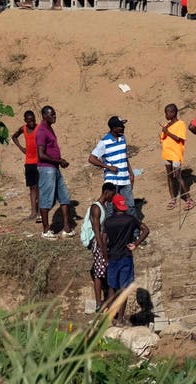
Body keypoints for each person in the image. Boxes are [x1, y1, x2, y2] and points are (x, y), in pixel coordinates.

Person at [101, 194, 149, 325]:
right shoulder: (130, 219)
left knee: (111, 287)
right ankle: (121, 319)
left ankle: (110, 318)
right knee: (123, 289)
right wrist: (136, 244)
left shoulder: (108, 222)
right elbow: (145, 230)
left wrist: (105, 258)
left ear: (114, 206)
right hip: (126, 257)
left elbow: (104, 241)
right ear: (121, 206)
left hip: (112, 257)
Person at [35, 105, 73, 238]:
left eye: (55, 114)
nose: (55, 117)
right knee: (46, 199)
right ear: (45, 115)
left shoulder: (49, 129)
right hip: (47, 169)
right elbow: (41, 154)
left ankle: (67, 227)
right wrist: (59, 161)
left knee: (64, 197)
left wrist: (59, 162)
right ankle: (46, 230)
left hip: (54, 168)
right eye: (52, 114)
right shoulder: (41, 131)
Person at [89, 115, 133, 212]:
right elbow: (92, 158)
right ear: (114, 128)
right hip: (112, 180)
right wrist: (108, 167)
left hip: (125, 178)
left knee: (129, 205)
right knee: (111, 208)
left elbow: (124, 156)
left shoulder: (122, 138)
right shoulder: (104, 142)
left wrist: (131, 172)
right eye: (121, 126)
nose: (123, 127)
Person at [85, 182, 117, 313]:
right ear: (106, 192)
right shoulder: (96, 208)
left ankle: (104, 301)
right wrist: (101, 248)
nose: (112, 197)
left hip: (102, 242)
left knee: (102, 269)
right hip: (98, 243)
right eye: (112, 194)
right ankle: (98, 303)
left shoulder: (103, 206)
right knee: (99, 272)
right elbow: (96, 230)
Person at [160, 103, 194, 209]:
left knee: (178, 176)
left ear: (173, 112)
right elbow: (162, 139)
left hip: (175, 154)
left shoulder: (180, 124)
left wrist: (167, 132)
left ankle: (188, 199)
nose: (166, 115)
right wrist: (165, 132)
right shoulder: (167, 125)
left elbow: (178, 138)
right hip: (166, 154)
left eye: (168, 112)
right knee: (169, 177)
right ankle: (172, 199)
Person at [10, 109, 41, 221]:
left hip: (38, 162)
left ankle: (39, 212)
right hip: (29, 162)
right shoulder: (23, 129)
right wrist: (21, 148)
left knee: (38, 187)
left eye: (33, 120)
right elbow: (14, 137)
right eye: (29, 121)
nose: (31, 122)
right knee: (32, 188)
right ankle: (33, 212)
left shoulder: (39, 128)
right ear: (25, 121)